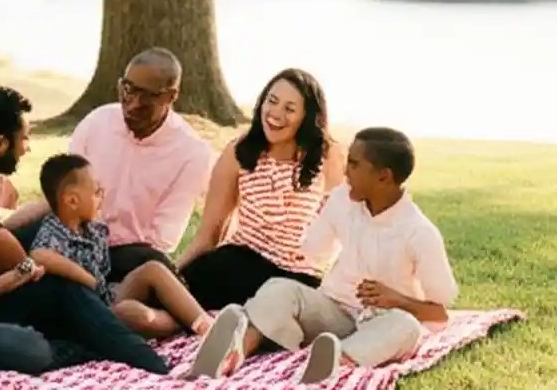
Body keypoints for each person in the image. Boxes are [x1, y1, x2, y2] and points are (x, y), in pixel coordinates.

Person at [0, 84, 168, 376]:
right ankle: (79, 345)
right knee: (32, 349)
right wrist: (2, 284)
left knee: (62, 287)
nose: (27, 147)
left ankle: (157, 368)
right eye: (23, 138)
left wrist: (17, 276)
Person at [182, 127, 460, 384]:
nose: (345, 171)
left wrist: (396, 299)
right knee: (279, 289)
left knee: (407, 327)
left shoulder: (419, 233)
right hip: (335, 312)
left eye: (354, 164)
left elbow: (439, 313)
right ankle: (235, 350)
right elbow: (311, 250)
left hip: (382, 321)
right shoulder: (342, 199)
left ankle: (335, 360)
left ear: (383, 176)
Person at [0, 47, 214, 281]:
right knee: (5, 242)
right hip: (67, 235)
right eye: (128, 90)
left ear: (170, 96)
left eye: (146, 97)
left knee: (152, 264)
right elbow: (58, 196)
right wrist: (1, 229)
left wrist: (96, 249)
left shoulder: (192, 153)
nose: (133, 105)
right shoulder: (97, 122)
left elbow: (161, 240)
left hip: (126, 256)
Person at [177, 69, 346, 310]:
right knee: (164, 294)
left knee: (270, 311)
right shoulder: (239, 151)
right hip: (239, 264)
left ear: (307, 117)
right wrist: (175, 271)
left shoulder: (328, 156)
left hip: (295, 278)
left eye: (289, 109)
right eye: (272, 101)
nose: (275, 114)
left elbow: (343, 229)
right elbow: (209, 234)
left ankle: (210, 321)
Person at [30, 153, 215, 339]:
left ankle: (204, 323)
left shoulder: (95, 229)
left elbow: (104, 277)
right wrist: (88, 280)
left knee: (152, 269)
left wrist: (104, 287)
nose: (102, 196)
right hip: (86, 317)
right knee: (134, 313)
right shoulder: (53, 233)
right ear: (72, 201)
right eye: (96, 192)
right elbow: (39, 255)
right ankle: (189, 325)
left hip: (106, 298)